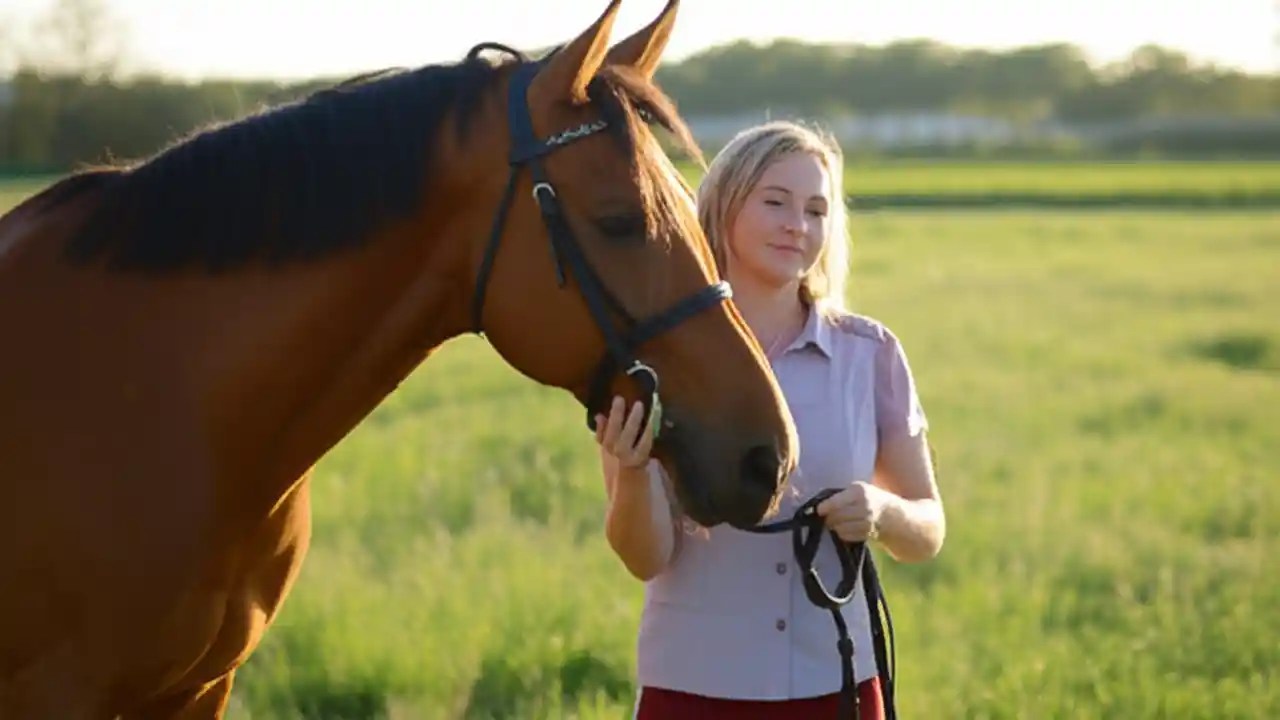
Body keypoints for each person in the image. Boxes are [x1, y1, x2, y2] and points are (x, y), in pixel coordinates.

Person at [595, 120, 946, 720]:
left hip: (837, 685)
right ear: (725, 204)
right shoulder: (651, 364)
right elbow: (644, 558)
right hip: (694, 689)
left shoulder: (871, 355)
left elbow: (928, 530)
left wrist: (881, 511)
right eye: (776, 202)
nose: (798, 225)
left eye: (817, 210)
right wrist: (631, 473)